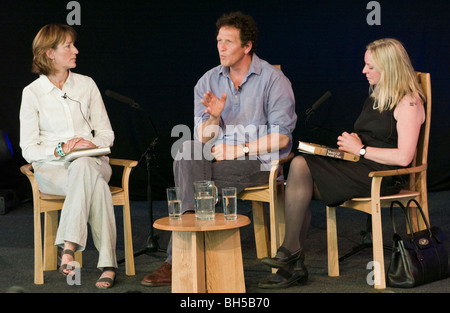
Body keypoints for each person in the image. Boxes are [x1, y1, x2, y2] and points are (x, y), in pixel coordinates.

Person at [141, 11, 297, 287]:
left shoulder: (274, 80)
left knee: (192, 179)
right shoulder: (208, 81)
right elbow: (203, 137)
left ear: (247, 46)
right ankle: (193, 253)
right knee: (188, 149)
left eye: (228, 42)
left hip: (259, 161)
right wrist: (214, 116)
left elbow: (282, 138)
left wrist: (240, 150)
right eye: (218, 41)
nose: (220, 47)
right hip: (215, 159)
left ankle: (178, 259)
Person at [258, 38, 426, 289]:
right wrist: (356, 143)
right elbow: (376, 136)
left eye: (370, 66)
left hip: (383, 175)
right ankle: (291, 260)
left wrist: (361, 148)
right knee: (300, 170)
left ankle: (291, 260)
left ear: (389, 67)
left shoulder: (409, 102)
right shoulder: (378, 95)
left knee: (300, 173)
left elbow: (404, 157)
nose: (363, 71)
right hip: (361, 164)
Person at [19, 24, 117, 289]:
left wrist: (88, 143)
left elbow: (107, 133)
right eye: (68, 46)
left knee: (85, 164)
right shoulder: (32, 94)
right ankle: (108, 264)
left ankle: (69, 246)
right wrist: (62, 149)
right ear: (49, 53)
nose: (76, 50)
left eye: (74, 45)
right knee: (96, 186)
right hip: (54, 170)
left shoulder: (86, 85)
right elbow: (28, 149)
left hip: (93, 160)